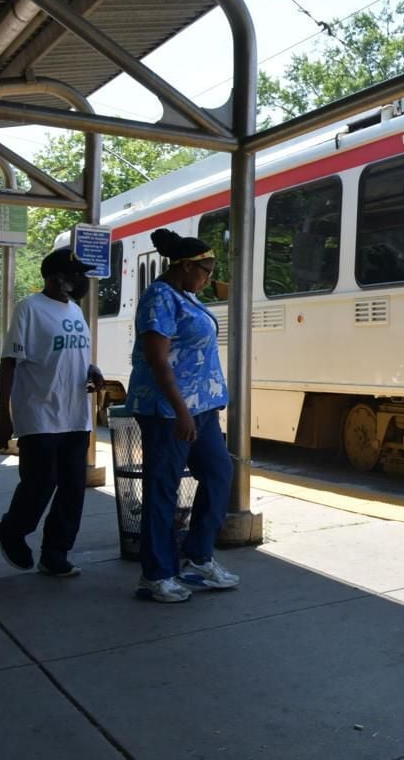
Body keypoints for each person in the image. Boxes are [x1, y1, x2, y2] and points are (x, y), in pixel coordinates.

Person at [126, 228, 238, 603]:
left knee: (220, 473)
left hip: (200, 409)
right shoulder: (159, 297)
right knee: (163, 488)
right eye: (206, 270)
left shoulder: (184, 295)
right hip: (168, 412)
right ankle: (156, 575)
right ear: (187, 266)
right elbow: (158, 360)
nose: (209, 278)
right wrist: (180, 411)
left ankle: (198, 556)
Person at [0, 248, 105, 577]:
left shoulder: (75, 311)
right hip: (38, 413)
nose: (84, 281)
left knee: (72, 489)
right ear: (58, 278)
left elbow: (73, 355)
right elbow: (9, 364)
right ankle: (12, 530)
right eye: (78, 275)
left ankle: (55, 554)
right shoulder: (29, 309)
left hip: (75, 416)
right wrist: (3, 416)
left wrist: (92, 369)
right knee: (40, 483)